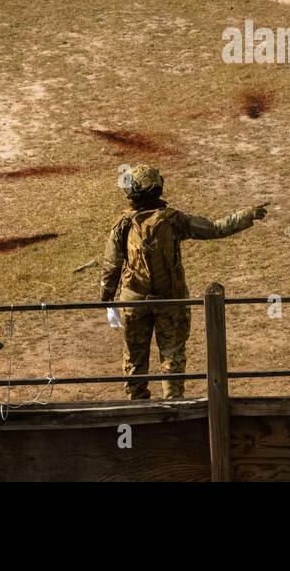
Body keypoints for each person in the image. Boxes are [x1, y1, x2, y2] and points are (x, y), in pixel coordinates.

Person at [99, 164, 266, 401]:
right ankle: (174, 406)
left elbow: (111, 266)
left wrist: (106, 299)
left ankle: (137, 407)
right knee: (172, 358)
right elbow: (214, 229)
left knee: (135, 358)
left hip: (134, 301)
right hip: (171, 300)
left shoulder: (123, 224)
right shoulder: (173, 219)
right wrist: (246, 216)